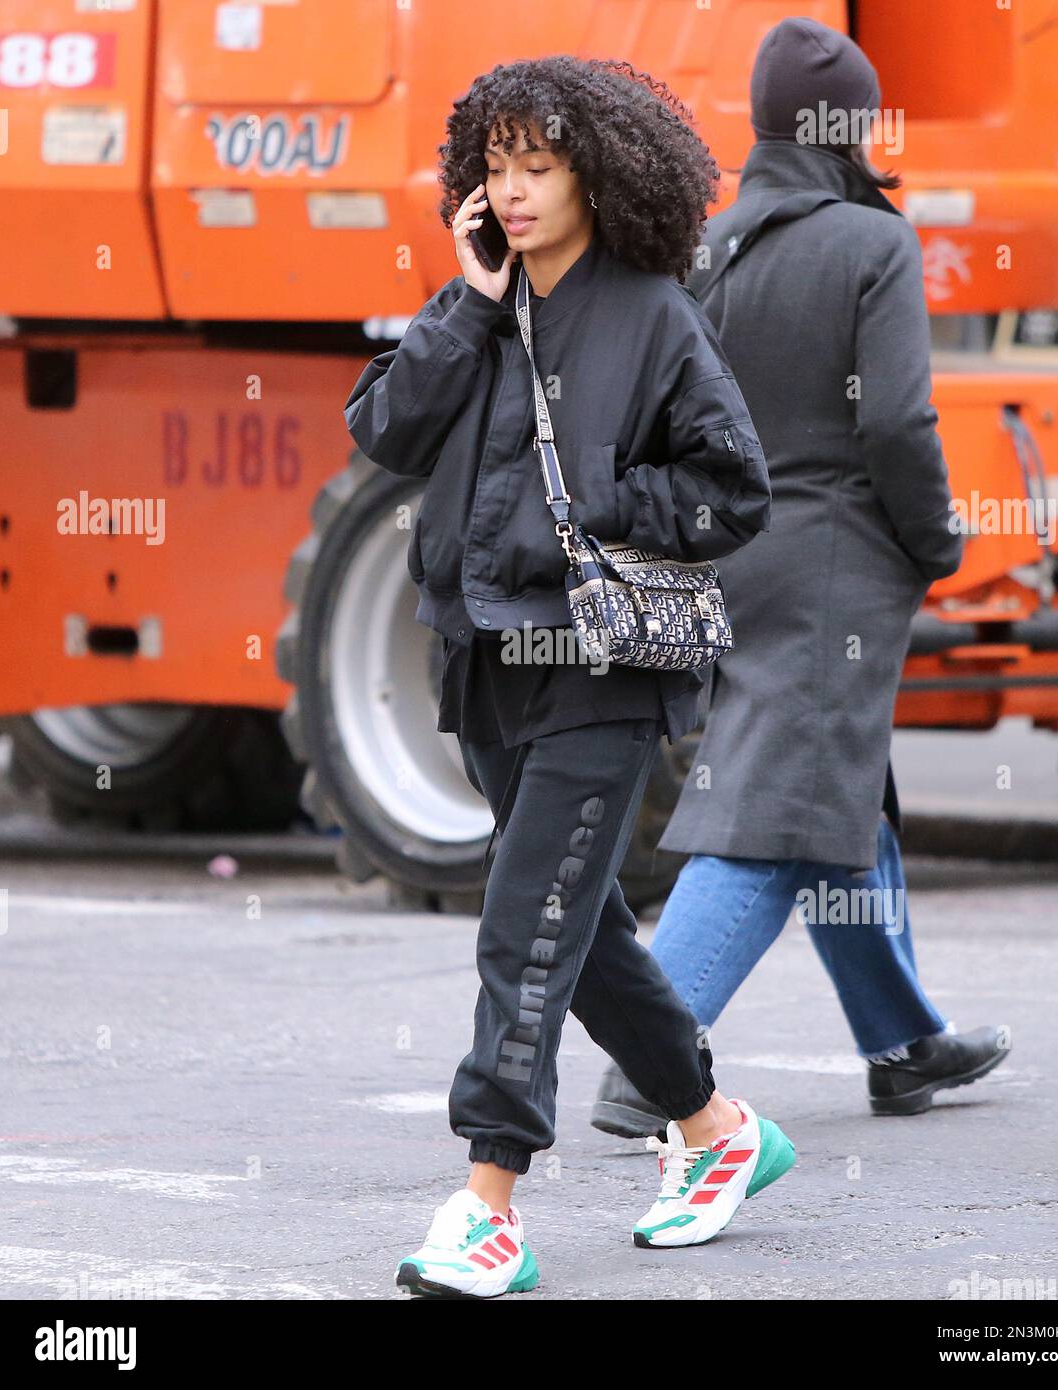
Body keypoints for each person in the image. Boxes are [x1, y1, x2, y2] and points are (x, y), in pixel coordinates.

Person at [343, 56, 791, 1299]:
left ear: (596, 172)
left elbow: (732, 487)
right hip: (483, 663)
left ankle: (487, 1204)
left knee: (518, 925)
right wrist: (467, 301)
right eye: (496, 167)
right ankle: (713, 1133)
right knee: (575, 928)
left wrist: (603, 499)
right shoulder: (480, 303)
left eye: (538, 166)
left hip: (601, 666)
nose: (516, 189)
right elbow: (380, 430)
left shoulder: (652, 313)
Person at [592, 18, 1011, 1140]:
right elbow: (899, 422)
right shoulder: (870, 246)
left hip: (736, 554)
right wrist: (932, 544)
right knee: (774, 817)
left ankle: (902, 1041)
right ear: (853, 127)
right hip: (837, 570)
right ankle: (651, 1059)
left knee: (837, 789)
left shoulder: (715, 245)